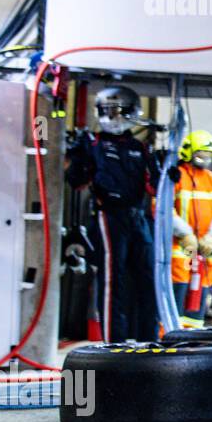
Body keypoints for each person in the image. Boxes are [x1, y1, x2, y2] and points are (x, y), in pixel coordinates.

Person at [64, 85, 161, 342]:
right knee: (112, 281)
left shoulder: (140, 148)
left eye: (117, 110)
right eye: (107, 110)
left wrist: (166, 173)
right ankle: (113, 345)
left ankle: (149, 341)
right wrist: (75, 156)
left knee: (148, 280)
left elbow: (156, 185)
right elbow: (76, 179)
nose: (112, 116)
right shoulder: (92, 143)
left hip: (139, 217)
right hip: (109, 216)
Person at [171, 130, 212, 327]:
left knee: (199, 300)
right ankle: (170, 337)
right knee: (177, 294)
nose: (204, 160)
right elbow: (163, 211)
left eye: (209, 156)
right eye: (200, 155)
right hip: (180, 250)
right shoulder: (176, 177)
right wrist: (185, 234)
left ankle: (193, 341)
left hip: (206, 252)